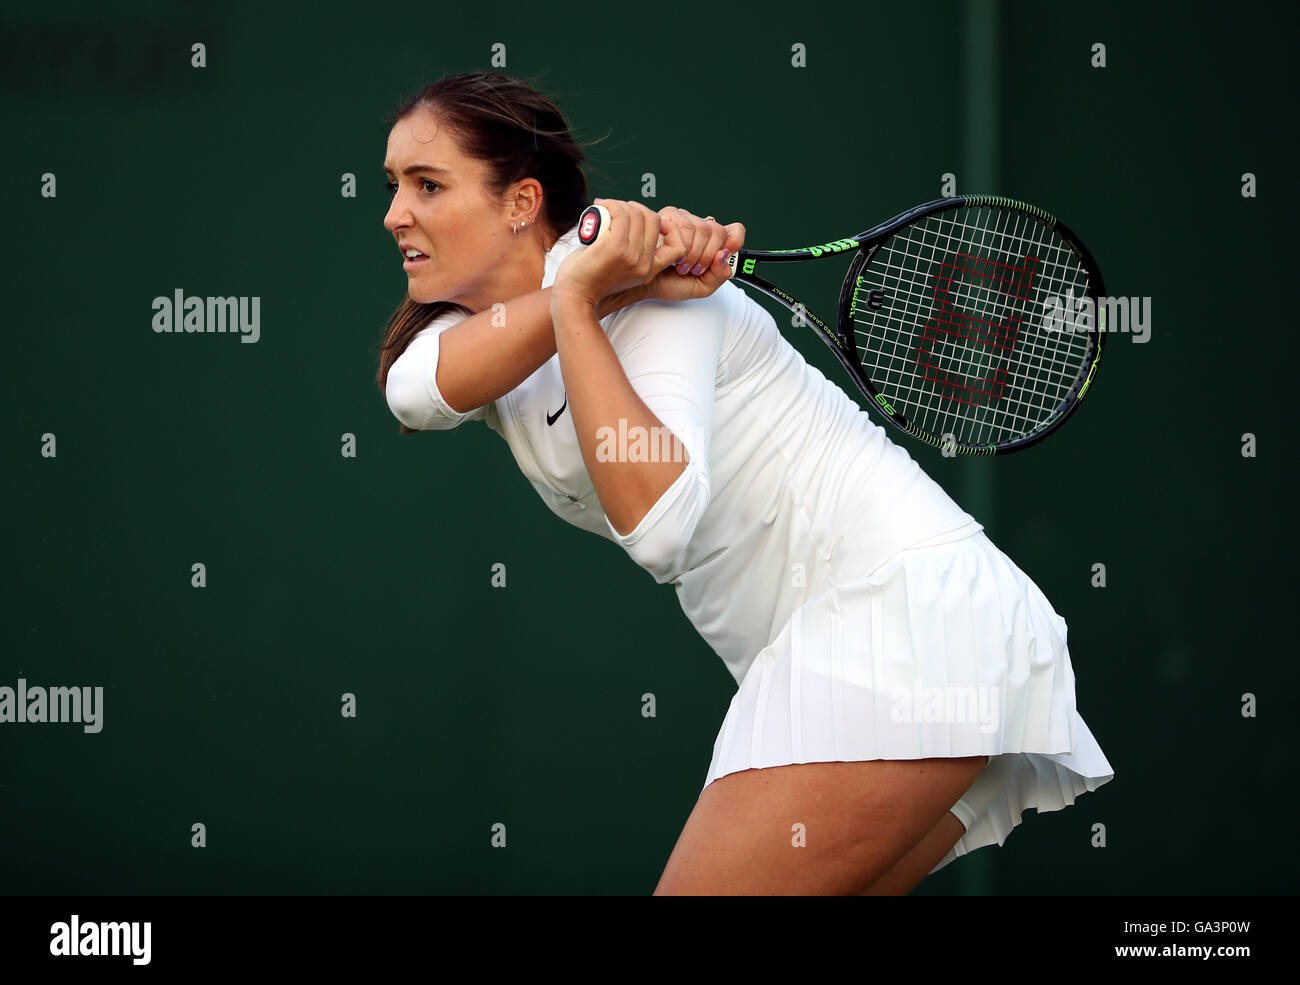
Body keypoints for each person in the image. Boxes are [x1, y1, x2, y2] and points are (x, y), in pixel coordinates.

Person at [376, 71, 1114, 896]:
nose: (394, 213)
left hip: (907, 624)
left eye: (427, 184)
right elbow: (413, 390)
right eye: (394, 185)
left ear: (520, 202)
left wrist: (588, 293)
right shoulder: (474, 331)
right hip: (871, 646)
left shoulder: (668, 309)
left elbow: (658, 528)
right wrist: (587, 284)